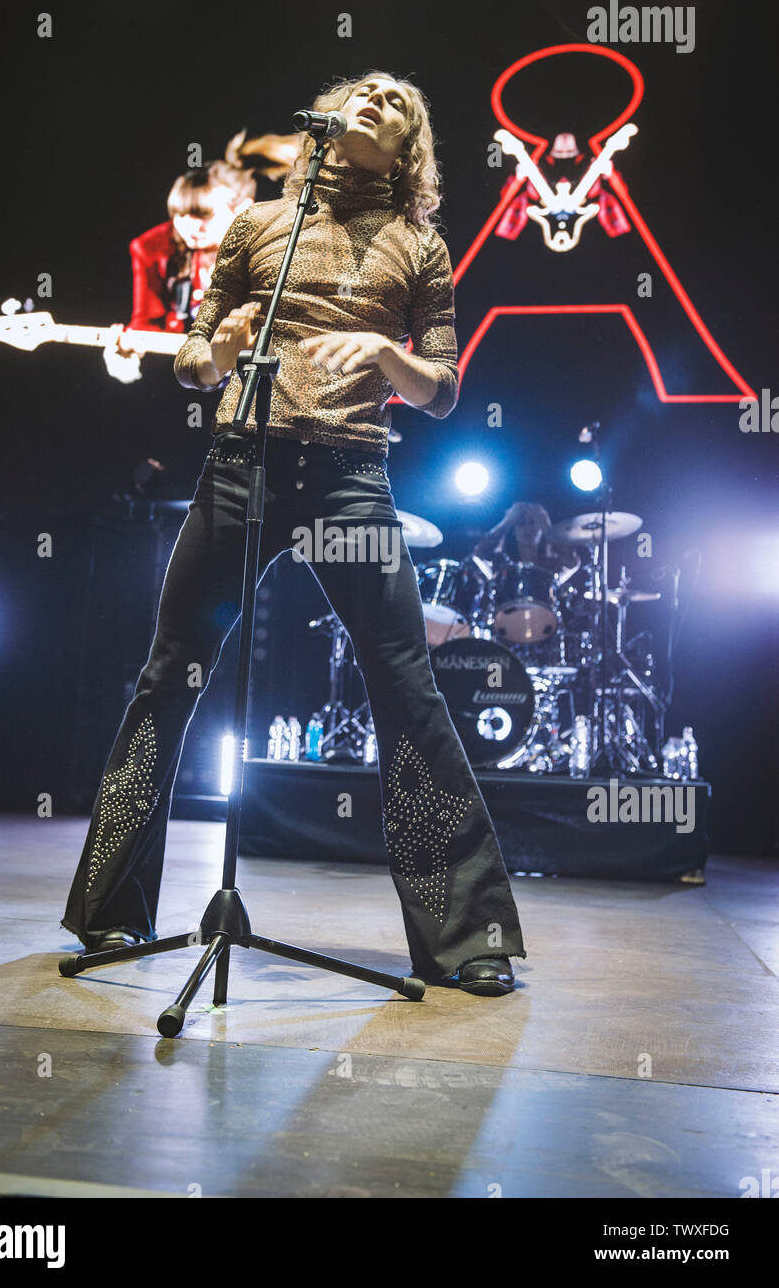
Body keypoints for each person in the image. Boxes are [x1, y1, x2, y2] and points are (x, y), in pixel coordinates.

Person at [61, 71, 525, 997]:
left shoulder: (418, 246)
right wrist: (215, 352)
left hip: (350, 479)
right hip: (242, 468)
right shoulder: (256, 223)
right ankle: (111, 915)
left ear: (408, 150)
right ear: (329, 119)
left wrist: (392, 358)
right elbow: (193, 358)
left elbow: (444, 386)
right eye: (370, 90)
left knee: (405, 688)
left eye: (400, 102)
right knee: (167, 677)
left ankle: (468, 937)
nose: (381, 99)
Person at [102, 132, 301, 383]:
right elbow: (146, 322)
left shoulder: (275, 248)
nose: (187, 226)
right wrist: (126, 359)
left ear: (243, 209)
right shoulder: (156, 248)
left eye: (202, 215)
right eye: (179, 214)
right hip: (188, 379)